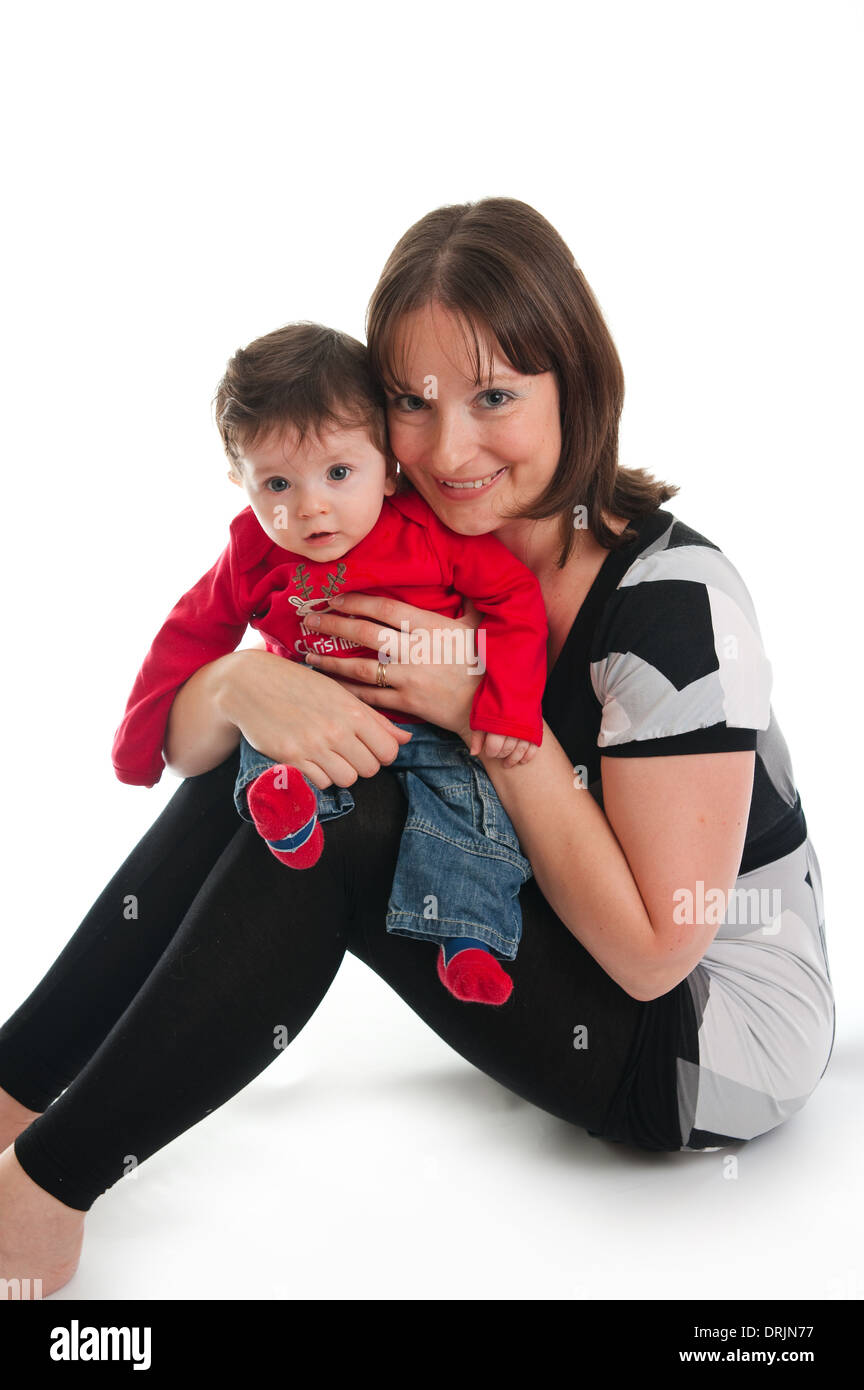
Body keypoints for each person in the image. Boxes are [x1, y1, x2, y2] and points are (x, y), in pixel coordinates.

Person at [0, 197, 835, 1299]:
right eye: (412, 402)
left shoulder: (677, 606)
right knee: (297, 756)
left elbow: (650, 952)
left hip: (699, 1042)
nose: (450, 448)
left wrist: (480, 708)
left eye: (495, 396)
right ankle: (13, 1090)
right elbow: (202, 758)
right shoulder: (407, 538)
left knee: (344, 818)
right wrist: (243, 681)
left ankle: (41, 1193)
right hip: (577, 930)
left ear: (573, 384)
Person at [111, 319, 549, 1005]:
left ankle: (467, 938)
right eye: (277, 484)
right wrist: (137, 751)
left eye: (339, 473)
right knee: (262, 747)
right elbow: (189, 636)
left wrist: (507, 707)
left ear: (388, 465)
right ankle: (289, 811)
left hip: (426, 730)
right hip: (312, 717)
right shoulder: (254, 551)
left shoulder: (428, 532)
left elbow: (516, 601)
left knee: (470, 811)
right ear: (239, 481)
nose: (310, 507)